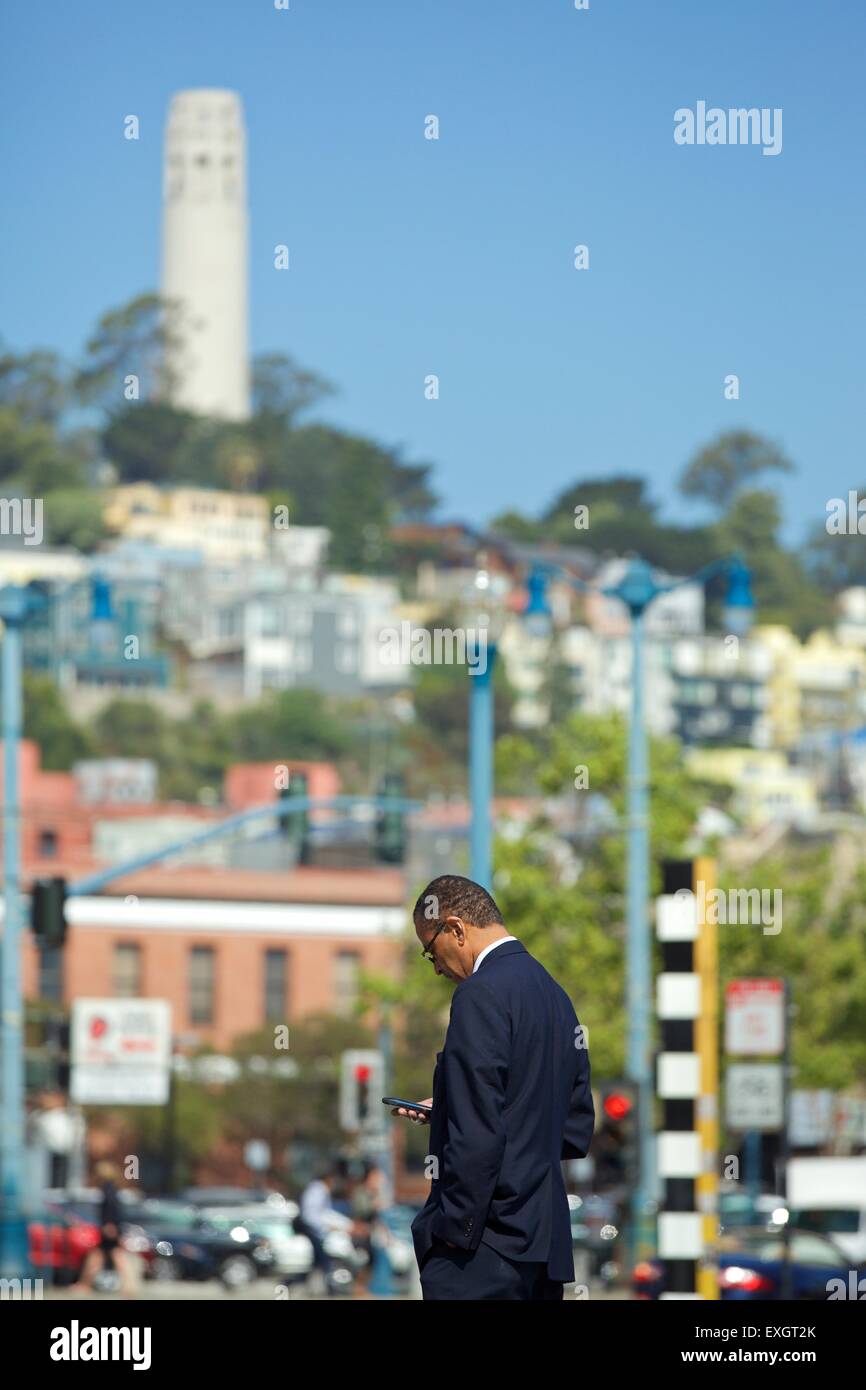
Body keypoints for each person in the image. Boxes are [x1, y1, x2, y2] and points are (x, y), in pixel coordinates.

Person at [396, 874, 594, 1301]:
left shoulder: (479, 995)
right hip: (545, 1248)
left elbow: (479, 1133)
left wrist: (453, 1230)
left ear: (456, 928)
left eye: (430, 951)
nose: (435, 967)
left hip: (482, 1247)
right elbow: (574, 1128)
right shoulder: (557, 997)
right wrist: (451, 1104)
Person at [71, 1160, 135, 1297]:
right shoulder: (112, 1189)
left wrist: (109, 1225)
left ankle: (85, 1284)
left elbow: (111, 1210)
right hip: (112, 1228)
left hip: (109, 1229)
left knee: (112, 1257)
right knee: (103, 1256)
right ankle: (86, 1284)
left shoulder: (108, 1190)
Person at [298, 1167, 340, 1295]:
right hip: (313, 1230)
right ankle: (330, 1289)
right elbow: (311, 1214)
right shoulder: (318, 1191)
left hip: (316, 1230)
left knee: (316, 1263)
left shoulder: (318, 1190)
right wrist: (324, 1226)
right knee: (323, 1260)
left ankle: (304, 1286)